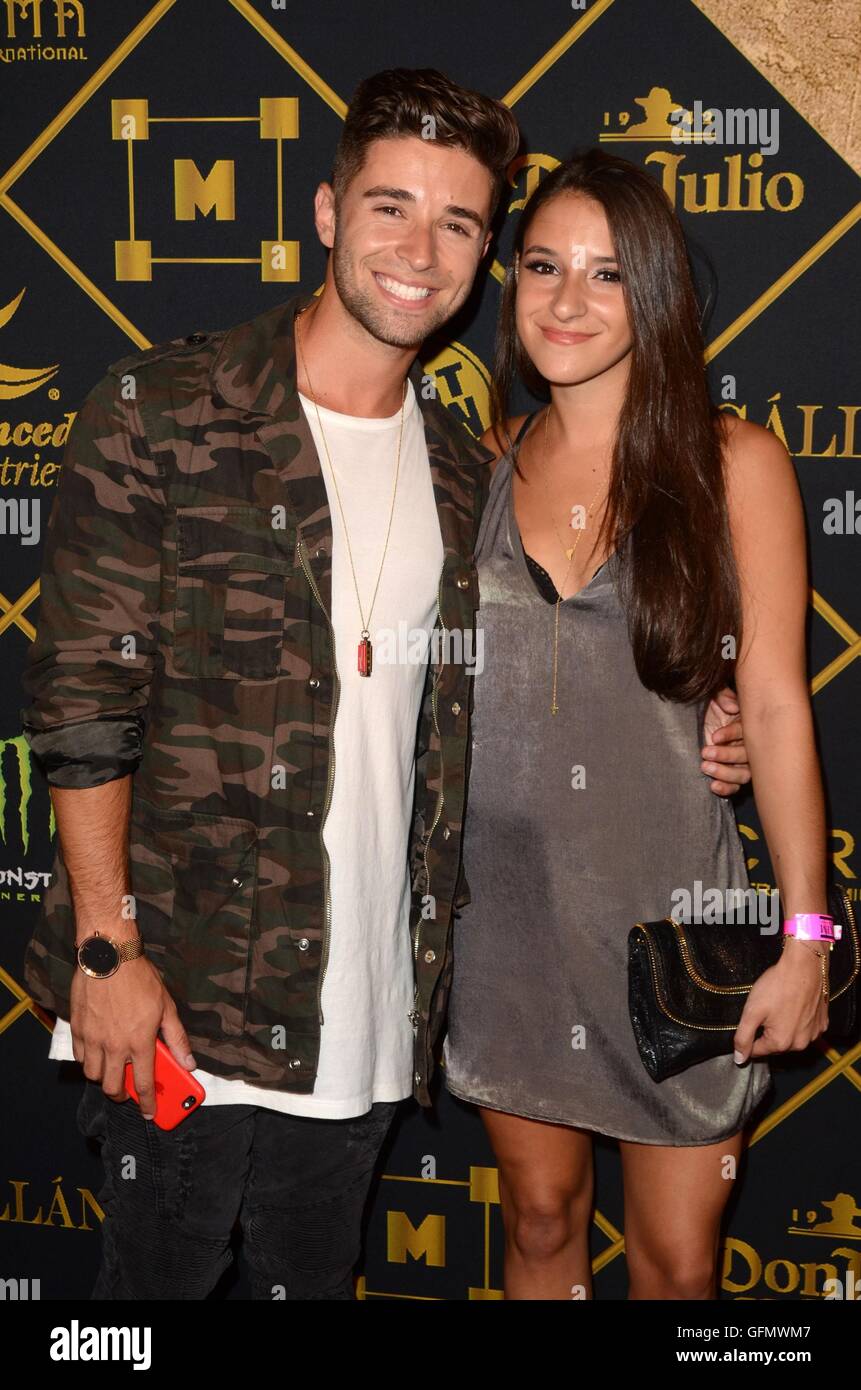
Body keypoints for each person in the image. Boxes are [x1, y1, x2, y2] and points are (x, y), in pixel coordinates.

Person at [19, 76, 749, 1301]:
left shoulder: (470, 466)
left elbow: (538, 667)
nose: (420, 252)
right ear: (325, 209)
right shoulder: (165, 410)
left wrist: (702, 717)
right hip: (181, 1004)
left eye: (460, 224)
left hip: (366, 1021)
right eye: (391, 207)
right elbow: (85, 694)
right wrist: (105, 949)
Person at [442, 148, 833, 1301]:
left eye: (607, 275)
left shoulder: (733, 462)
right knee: (542, 1227)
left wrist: (806, 934)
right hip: (504, 934)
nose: (567, 300)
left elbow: (771, 701)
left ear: (653, 293)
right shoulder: (485, 462)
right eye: (543, 266)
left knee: (674, 1268)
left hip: (668, 929)